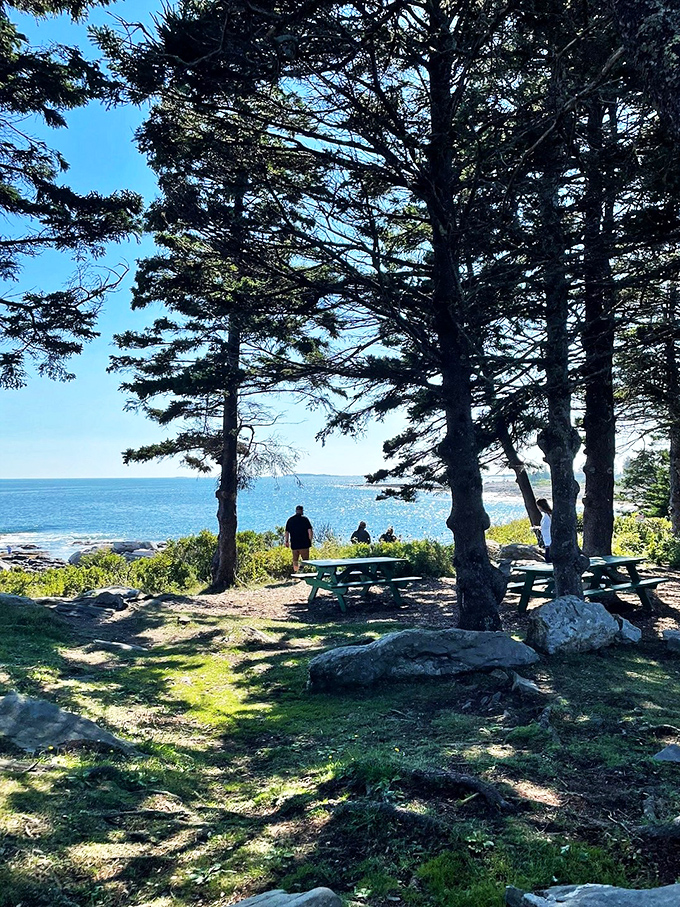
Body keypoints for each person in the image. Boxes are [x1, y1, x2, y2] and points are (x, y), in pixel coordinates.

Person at [284, 505, 313, 573]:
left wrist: (287, 541)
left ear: (296, 511)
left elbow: (287, 532)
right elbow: (310, 531)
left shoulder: (290, 520)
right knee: (306, 560)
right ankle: (301, 570)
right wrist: (310, 540)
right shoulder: (305, 520)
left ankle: (296, 572)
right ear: (302, 511)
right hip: (304, 544)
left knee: (295, 561)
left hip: (294, 544)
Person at [534, 498, 553, 562]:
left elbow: (547, 526)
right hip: (547, 540)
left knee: (548, 559)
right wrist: (538, 527)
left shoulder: (547, 516)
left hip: (549, 540)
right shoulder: (547, 515)